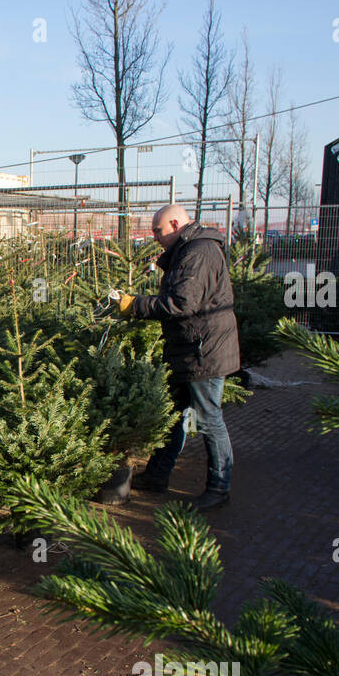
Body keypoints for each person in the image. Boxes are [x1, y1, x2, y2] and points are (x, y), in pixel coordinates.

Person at [109, 204, 240, 510]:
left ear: (176, 224)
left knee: (208, 420)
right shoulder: (188, 250)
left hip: (204, 350)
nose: (154, 236)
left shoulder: (199, 252)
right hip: (189, 348)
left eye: (158, 230)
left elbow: (181, 304)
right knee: (174, 416)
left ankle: (220, 488)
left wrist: (135, 306)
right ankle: (157, 475)